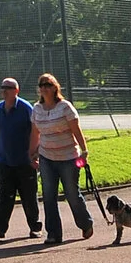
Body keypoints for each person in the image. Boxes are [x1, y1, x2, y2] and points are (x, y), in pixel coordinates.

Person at [31, 72, 95, 246]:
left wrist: (84, 151)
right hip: (47, 158)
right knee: (49, 196)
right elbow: (35, 133)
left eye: (48, 85)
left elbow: (76, 130)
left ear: (55, 87)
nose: (44, 88)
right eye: (41, 85)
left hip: (68, 157)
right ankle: (53, 234)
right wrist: (32, 153)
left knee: (72, 193)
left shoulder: (65, 107)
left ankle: (85, 223)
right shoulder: (36, 109)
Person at [0, 77, 42, 239]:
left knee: (29, 196)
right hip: (5, 161)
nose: (4, 90)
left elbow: (35, 132)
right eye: (2, 87)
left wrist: (34, 154)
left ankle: (35, 227)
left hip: (24, 160)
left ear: (16, 90)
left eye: (8, 88)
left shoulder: (26, 108)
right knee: (4, 196)